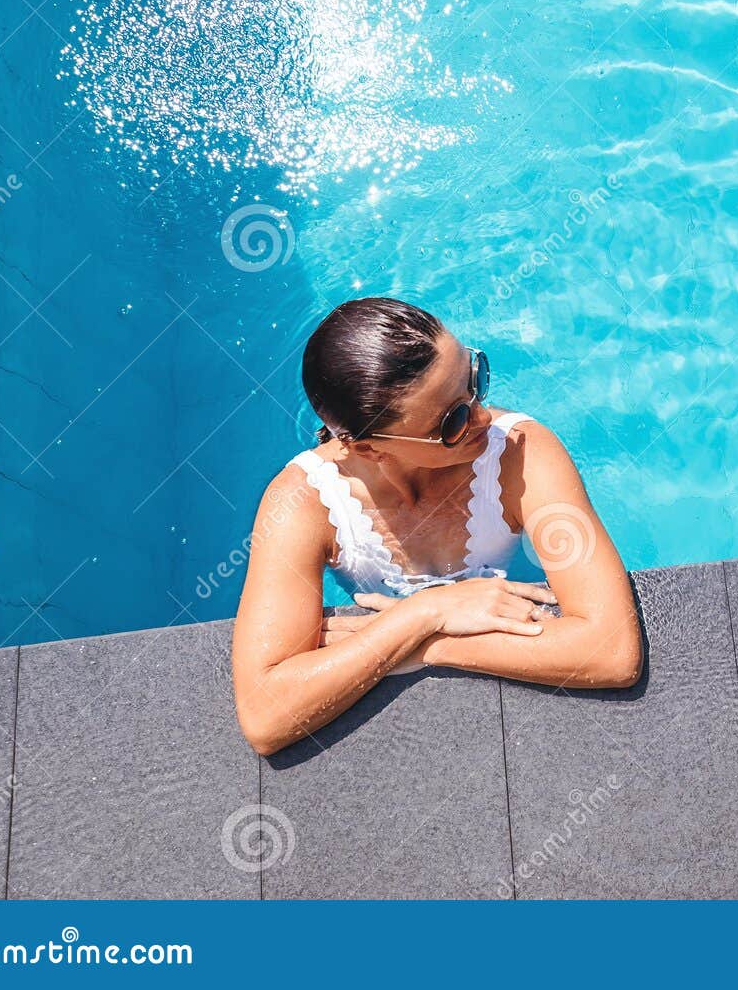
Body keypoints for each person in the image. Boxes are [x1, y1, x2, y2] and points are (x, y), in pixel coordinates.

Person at [231, 297, 641, 755]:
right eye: (453, 421)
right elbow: (265, 717)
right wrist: (426, 612)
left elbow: (612, 648)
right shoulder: (303, 502)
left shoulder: (519, 455)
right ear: (369, 449)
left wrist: (426, 645)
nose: (484, 416)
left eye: (474, 379)